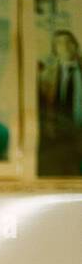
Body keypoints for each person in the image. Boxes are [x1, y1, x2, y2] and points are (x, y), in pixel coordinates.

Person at [38, 28, 82, 176]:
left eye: (69, 42)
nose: (66, 46)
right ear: (55, 50)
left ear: (76, 46)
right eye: (60, 44)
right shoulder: (46, 76)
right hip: (58, 137)